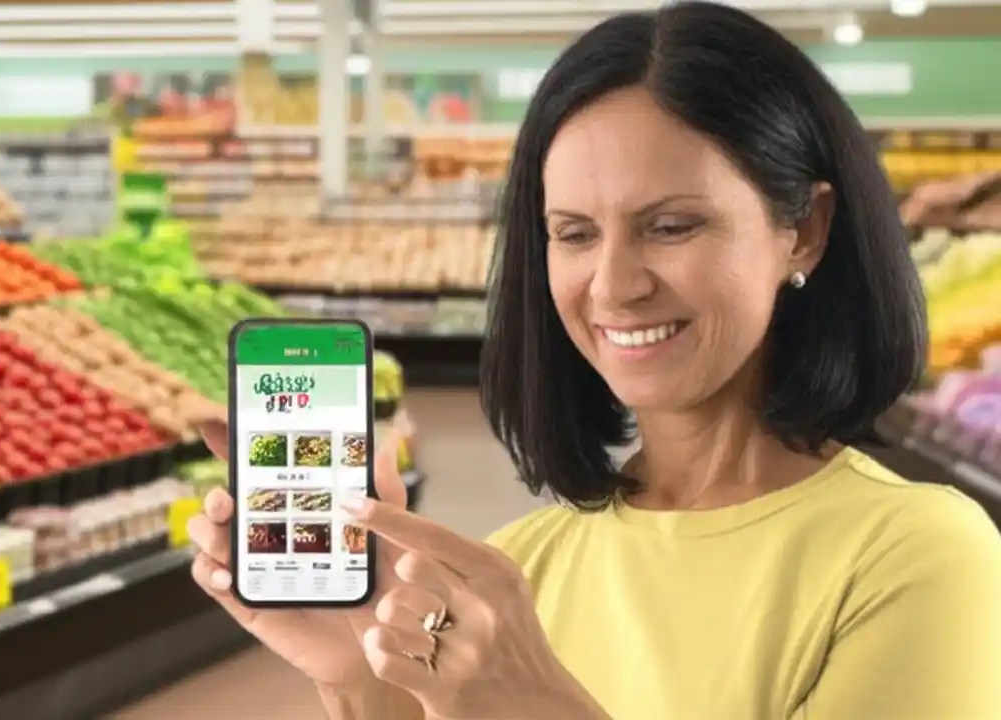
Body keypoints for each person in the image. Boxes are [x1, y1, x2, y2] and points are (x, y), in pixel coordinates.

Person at [185, 3, 1001, 718]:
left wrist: (538, 705)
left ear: (806, 229)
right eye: (574, 234)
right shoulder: (517, 566)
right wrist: (362, 675)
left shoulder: (919, 555)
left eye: (672, 225)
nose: (614, 285)